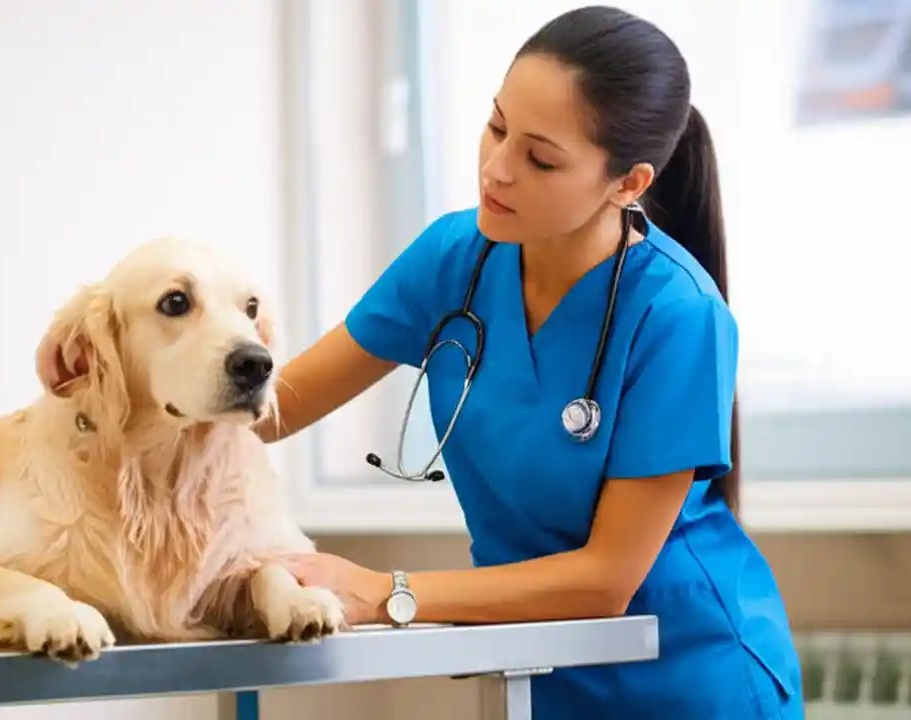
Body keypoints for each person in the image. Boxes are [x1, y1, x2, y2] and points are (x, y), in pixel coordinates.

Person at [255, 6, 804, 719]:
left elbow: (606, 581)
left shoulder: (679, 315)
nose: (497, 168)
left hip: (691, 674)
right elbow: (271, 410)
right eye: (496, 126)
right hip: (540, 668)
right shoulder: (452, 259)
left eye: (540, 158)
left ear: (629, 184)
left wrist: (385, 592)